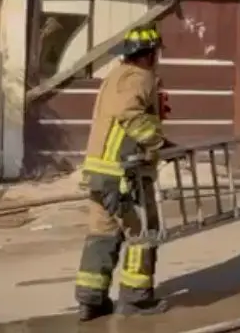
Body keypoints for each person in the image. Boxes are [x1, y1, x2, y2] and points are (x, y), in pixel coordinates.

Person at [74, 25, 171, 321]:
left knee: (102, 234)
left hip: (100, 172)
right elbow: (129, 113)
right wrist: (157, 139)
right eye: (155, 53)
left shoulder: (115, 76)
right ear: (149, 54)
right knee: (142, 233)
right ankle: (136, 299)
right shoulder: (138, 77)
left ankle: (91, 301)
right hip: (125, 174)